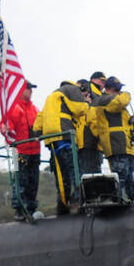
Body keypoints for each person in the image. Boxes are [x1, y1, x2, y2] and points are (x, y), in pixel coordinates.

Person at [39, 81, 92, 215]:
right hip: (65, 135)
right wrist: (86, 103)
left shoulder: (51, 97)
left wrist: (37, 133)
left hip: (52, 140)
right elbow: (79, 109)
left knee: (61, 176)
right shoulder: (71, 89)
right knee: (74, 170)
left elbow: (38, 122)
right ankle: (78, 202)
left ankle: (62, 206)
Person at [93, 76, 134, 202]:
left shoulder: (112, 101)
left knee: (132, 178)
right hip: (116, 145)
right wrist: (126, 94)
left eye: (119, 89)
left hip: (126, 146)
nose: (119, 92)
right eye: (116, 89)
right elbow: (121, 102)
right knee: (120, 177)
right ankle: (114, 203)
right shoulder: (104, 100)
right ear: (108, 89)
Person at [3, 80, 42, 221]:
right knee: (20, 181)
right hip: (20, 151)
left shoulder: (35, 109)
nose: (30, 91)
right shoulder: (14, 109)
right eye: (28, 89)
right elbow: (5, 125)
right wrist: (5, 130)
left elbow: (40, 126)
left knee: (33, 181)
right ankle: (19, 209)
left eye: (31, 89)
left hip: (34, 151)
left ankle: (31, 208)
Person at [79, 72, 107, 176]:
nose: (103, 84)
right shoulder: (88, 89)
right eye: (101, 80)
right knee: (90, 176)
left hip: (95, 142)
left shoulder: (100, 96)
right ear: (93, 80)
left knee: (93, 175)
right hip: (88, 140)